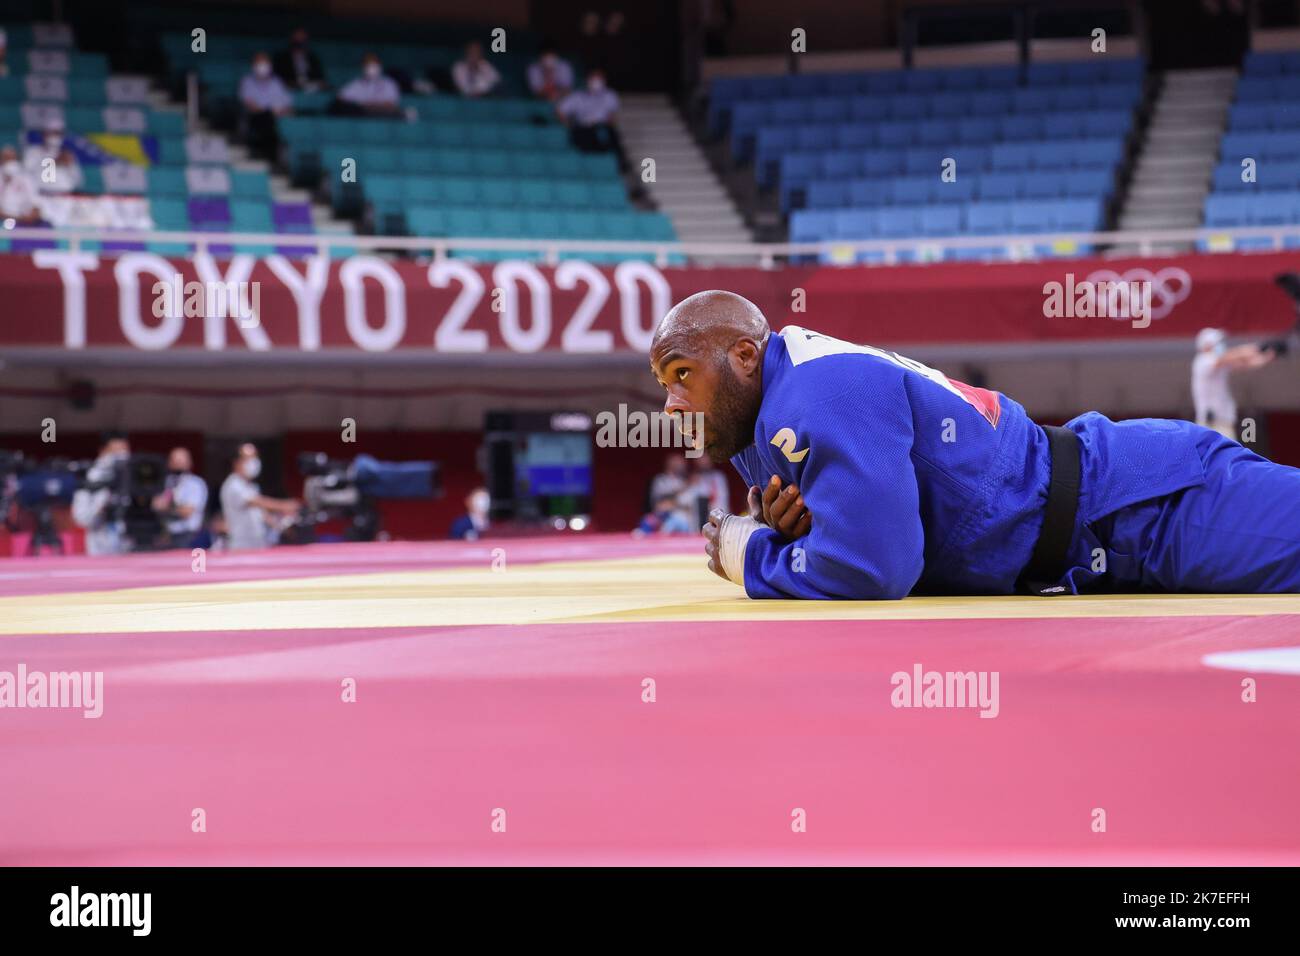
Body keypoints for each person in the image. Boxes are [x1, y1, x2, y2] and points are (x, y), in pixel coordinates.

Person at [648, 290, 1300, 598]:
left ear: (743, 355)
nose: (673, 402)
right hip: (1099, 538)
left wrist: (751, 553)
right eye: (663, 384)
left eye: (683, 375)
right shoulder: (779, 403)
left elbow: (874, 569)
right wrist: (800, 539)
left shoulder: (813, 393)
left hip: (1150, 502)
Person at [1190, 327, 1274, 441]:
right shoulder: (1203, 360)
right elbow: (1233, 355)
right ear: (1207, 345)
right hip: (1211, 424)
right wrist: (1256, 347)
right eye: (1217, 343)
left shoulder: (1220, 363)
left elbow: (1244, 363)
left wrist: (1268, 356)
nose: (1221, 345)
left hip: (1223, 421)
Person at [219, 443, 300, 550]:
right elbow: (257, 501)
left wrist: (281, 527)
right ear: (236, 462)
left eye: (255, 457)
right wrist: (284, 505)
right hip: (241, 544)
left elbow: (261, 513)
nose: (253, 462)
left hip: (258, 542)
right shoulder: (233, 484)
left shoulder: (252, 486)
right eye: (248, 458)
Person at [71, 431, 131, 556]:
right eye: (115, 452)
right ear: (103, 452)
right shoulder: (91, 478)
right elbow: (80, 518)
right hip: (100, 545)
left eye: (123, 450)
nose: (120, 456)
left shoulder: (133, 475)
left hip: (132, 545)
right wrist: (100, 508)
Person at [555, 68, 627, 171]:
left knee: (611, 133)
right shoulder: (577, 96)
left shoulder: (609, 95)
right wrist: (568, 123)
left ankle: (620, 162)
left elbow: (612, 115)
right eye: (593, 79)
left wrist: (606, 122)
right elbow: (560, 111)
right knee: (581, 135)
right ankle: (589, 164)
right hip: (583, 127)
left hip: (601, 126)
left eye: (599, 79)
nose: (596, 82)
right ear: (588, 81)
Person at [238, 53, 293, 160]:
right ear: (254, 66)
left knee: (284, 122)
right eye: (259, 63)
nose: (263, 66)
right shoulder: (247, 82)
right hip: (257, 117)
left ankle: (279, 157)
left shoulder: (277, 82)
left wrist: (281, 111)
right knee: (266, 119)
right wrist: (269, 111)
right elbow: (249, 103)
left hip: (278, 117)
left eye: (265, 63)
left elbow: (288, 104)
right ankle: (267, 155)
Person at [151, 446, 208, 548]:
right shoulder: (165, 482)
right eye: (175, 460)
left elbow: (187, 511)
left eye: (181, 461)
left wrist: (166, 507)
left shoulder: (195, 483)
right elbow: (155, 505)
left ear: (189, 463)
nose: (178, 464)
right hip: (165, 535)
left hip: (188, 536)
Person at [335, 53, 402, 116]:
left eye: (374, 64)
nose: (371, 67)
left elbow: (390, 104)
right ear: (363, 67)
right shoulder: (356, 84)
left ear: (379, 65)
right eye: (368, 64)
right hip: (361, 114)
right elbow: (340, 97)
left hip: (382, 115)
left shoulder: (389, 83)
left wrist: (368, 105)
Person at [0, 145, 44, 223]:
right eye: (6, 158)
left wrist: (32, 214)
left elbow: (36, 202)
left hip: (23, 220)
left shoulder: (26, 177)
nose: (10, 161)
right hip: (4, 219)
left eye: (12, 158)